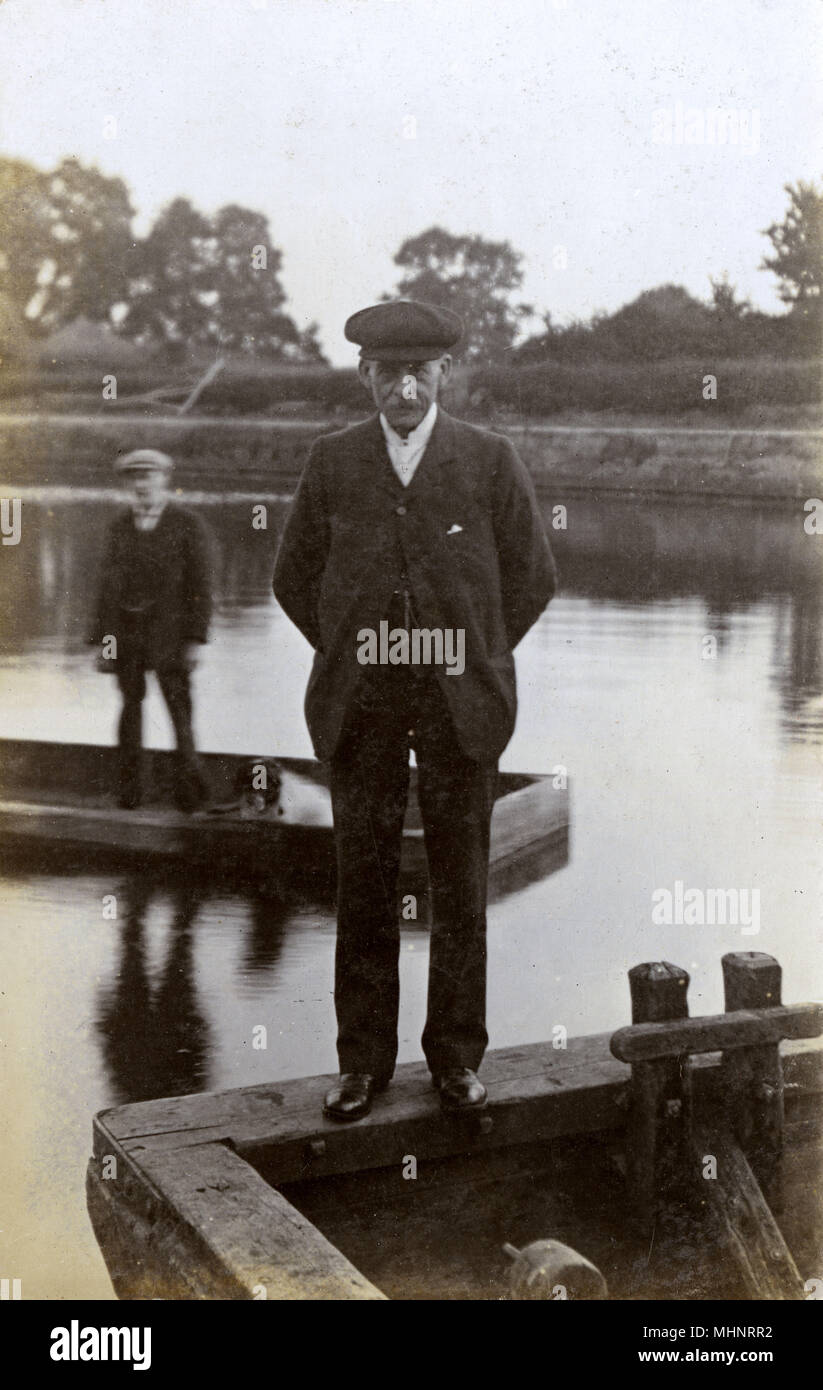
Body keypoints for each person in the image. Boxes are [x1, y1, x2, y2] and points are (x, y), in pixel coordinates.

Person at [273, 299, 556, 1121]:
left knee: (460, 885)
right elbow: (294, 580)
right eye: (387, 372)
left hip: (456, 706)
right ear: (365, 376)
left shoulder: (488, 459)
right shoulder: (332, 462)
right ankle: (362, 1064)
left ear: (442, 375)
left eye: (418, 372)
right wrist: (353, 649)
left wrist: (471, 656)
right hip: (363, 702)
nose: (403, 387)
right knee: (361, 883)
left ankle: (456, 1060)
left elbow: (530, 580)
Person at [89, 449, 214, 812]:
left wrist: (195, 640)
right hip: (127, 638)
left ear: (165, 479)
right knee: (130, 710)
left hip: (172, 638)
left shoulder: (188, 525)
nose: (142, 484)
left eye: (150, 475)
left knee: (180, 713)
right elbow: (106, 591)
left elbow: (201, 588)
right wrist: (104, 643)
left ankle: (190, 797)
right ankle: (129, 795)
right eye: (135, 477)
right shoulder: (119, 526)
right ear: (127, 484)